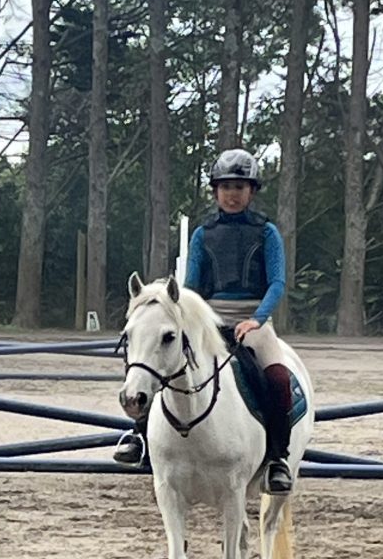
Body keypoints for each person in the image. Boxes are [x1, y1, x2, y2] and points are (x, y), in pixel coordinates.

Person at [115, 148, 297, 493]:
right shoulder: (203, 234)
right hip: (208, 319)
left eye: (239, 187)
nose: (232, 194)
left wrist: (257, 320)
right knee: (159, 362)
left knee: (276, 377)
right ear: (215, 190)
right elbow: (192, 287)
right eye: (225, 187)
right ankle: (138, 435)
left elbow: (277, 283)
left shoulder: (267, 232)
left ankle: (277, 458)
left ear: (251, 191)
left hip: (253, 321)